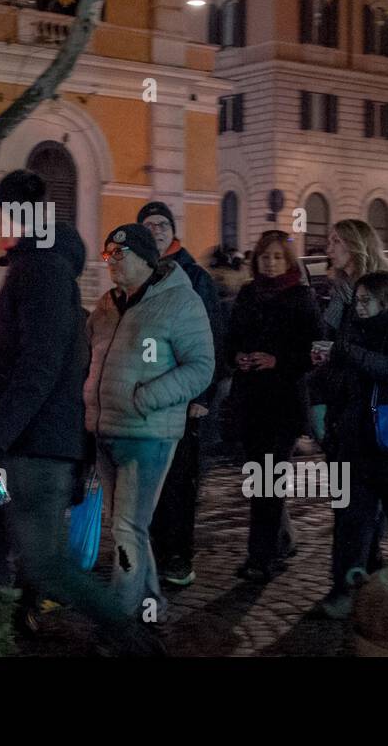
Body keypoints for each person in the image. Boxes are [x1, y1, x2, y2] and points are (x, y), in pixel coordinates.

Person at [0, 170, 155, 653]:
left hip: (30, 453)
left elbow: (40, 364)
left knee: (43, 563)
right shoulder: (33, 268)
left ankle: (129, 635)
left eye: (2, 213)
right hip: (9, 453)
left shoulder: (43, 271)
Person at [85, 224, 214, 616]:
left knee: (126, 528)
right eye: (108, 255)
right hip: (106, 430)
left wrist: (147, 399)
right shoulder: (107, 305)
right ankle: (151, 602)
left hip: (148, 434)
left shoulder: (180, 303)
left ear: (145, 259)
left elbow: (201, 366)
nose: (112, 262)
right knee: (129, 528)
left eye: (120, 255)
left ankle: (121, 619)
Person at [310, 271, 388, 619]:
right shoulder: (356, 329)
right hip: (357, 440)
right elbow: (345, 379)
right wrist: (324, 369)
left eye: (367, 300)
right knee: (352, 521)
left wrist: (345, 352)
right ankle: (345, 592)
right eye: (357, 300)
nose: (359, 307)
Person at [137, 201, 228, 587]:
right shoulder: (138, 274)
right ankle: (152, 551)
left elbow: (213, 340)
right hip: (148, 398)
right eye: (148, 225)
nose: (155, 230)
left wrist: (202, 396)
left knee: (178, 482)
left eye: (162, 224)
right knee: (148, 478)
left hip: (184, 399)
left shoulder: (195, 277)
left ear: (173, 231)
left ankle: (177, 557)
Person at [227, 231, 322, 582]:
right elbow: (231, 336)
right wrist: (237, 356)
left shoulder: (301, 296)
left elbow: (315, 351)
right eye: (265, 256)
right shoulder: (249, 293)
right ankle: (280, 542)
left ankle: (260, 557)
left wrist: (277, 360)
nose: (270, 262)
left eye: (277, 257)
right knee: (261, 479)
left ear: (289, 260)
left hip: (282, 403)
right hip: (250, 399)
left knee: (267, 481)